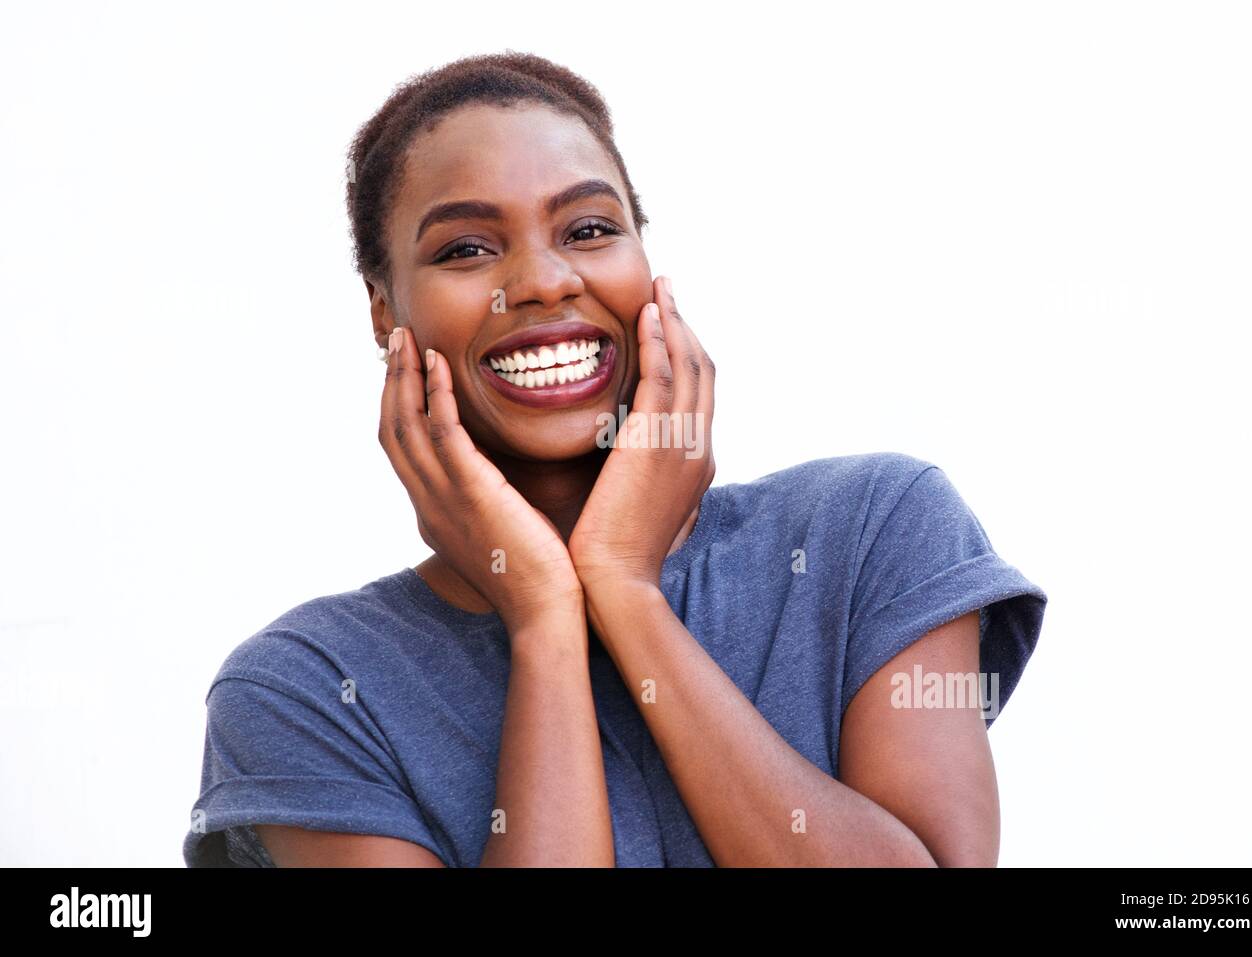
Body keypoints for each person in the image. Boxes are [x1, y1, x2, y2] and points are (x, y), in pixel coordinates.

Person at [183, 51, 1047, 868]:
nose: (543, 280)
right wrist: (543, 617)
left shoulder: (873, 528)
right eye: (466, 249)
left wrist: (627, 590)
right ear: (384, 312)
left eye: (590, 228)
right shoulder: (304, 688)